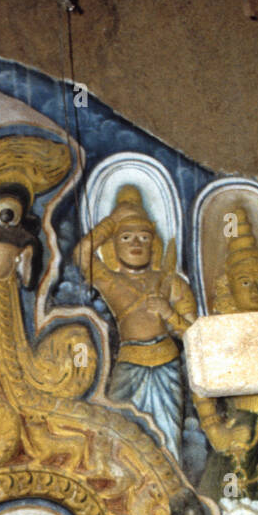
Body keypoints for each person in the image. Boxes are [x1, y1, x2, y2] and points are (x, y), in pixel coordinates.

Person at [73, 185, 196, 462]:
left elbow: (196, 334)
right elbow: (83, 254)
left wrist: (169, 313)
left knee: (166, 438)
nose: (136, 244)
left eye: (144, 237)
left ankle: (168, 483)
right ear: (113, 247)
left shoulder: (170, 282)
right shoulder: (113, 282)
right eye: (126, 237)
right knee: (120, 432)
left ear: (154, 243)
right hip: (129, 364)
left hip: (166, 364)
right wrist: (112, 221)